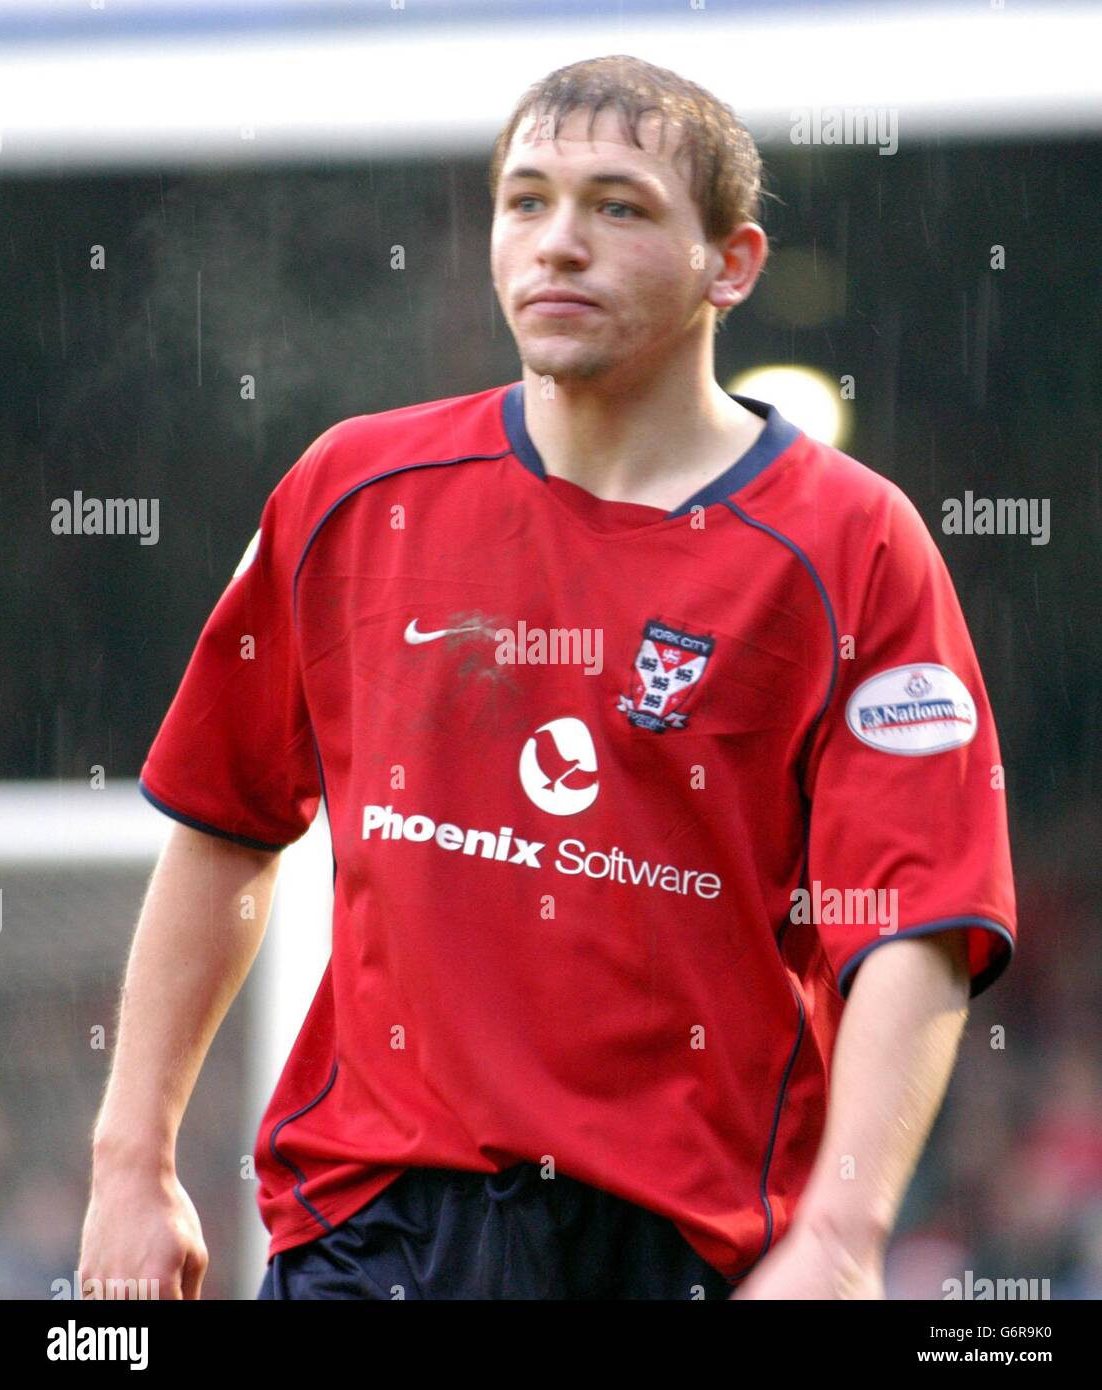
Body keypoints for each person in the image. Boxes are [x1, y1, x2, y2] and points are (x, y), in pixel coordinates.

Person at [78, 55, 1017, 1301]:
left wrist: (841, 1237)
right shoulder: (355, 491)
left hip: (681, 1247)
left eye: (617, 206)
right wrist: (129, 1161)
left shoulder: (852, 543)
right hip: (374, 1233)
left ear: (729, 265)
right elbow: (222, 825)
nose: (557, 244)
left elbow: (912, 921)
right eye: (526, 201)